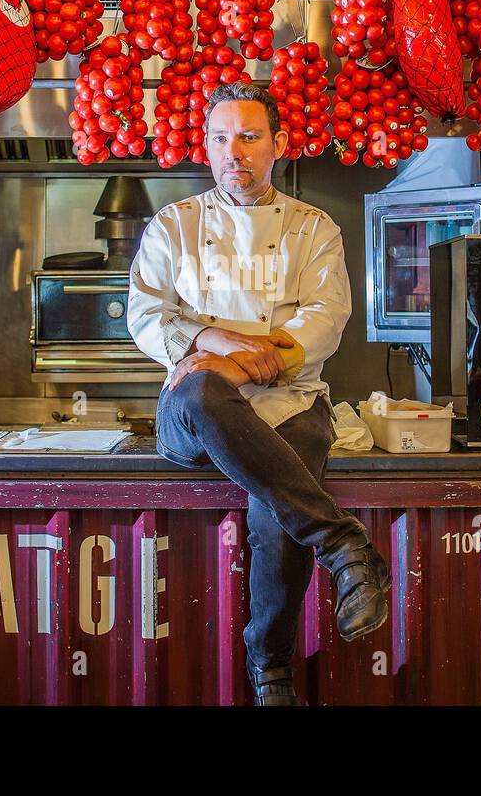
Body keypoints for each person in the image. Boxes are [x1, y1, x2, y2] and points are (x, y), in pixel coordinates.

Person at [127, 82, 391, 706]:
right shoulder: (176, 226)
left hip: (293, 402)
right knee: (199, 394)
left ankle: (269, 667)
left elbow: (326, 320)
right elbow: (145, 314)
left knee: (275, 515)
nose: (232, 152)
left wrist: (238, 366)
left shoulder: (313, 229)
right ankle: (343, 545)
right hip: (194, 411)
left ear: (278, 144)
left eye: (248, 137)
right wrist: (219, 341)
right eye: (220, 138)